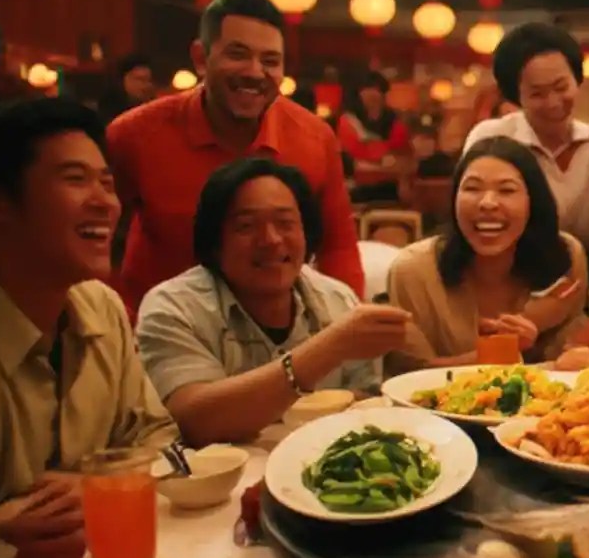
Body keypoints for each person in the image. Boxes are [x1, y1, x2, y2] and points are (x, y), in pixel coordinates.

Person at [0, 98, 178, 558]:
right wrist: (2, 548)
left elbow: (161, 438)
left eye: (107, 183)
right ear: (0, 204)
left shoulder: (101, 308)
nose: (105, 201)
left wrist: (101, 484)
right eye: (75, 179)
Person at [107, 0, 363, 318]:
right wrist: (111, 322)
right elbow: (95, 238)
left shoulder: (314, 139)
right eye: (237, 54)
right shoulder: (134, 136)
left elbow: (338, 246)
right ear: (201, 58)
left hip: (277, 328)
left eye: (270, 61)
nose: (254, 72)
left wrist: (347, 326)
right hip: (157, 325)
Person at [136, 158, 410, 446]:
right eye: (246, 226)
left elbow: (365, 406)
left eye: (285, 223)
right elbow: (194, 421)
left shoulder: (337, 299)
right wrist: (329, 347)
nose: (271, 239)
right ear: (215, 242)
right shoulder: (173, 309)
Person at [387, 137, 587, 371]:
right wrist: (506, 347)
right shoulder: (413, 271)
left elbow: (574, 359)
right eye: (472, 188)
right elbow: (409, 375)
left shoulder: (565, 256)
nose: (488, 203)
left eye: (506, 190)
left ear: (533, 201)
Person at [463, 23, 589, 259]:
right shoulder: (493, 138)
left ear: (577, 79)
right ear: (516, 96)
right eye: (537, 94)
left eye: (561, 87)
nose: (553, 102)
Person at [337, 71, 409, 203]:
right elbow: (352, 155)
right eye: (367, 89)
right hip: (359, 187)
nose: (372, 94)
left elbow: (402, 153)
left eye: (377, 90)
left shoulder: (395, 122)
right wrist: (382, 157)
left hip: (391, 187)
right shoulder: (348, 121)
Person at [96, 53, 155, 125]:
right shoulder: (109, 106)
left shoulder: (154, 105)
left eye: (149, 80)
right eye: (140, 79)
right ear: (123, 80)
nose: (146, 85)